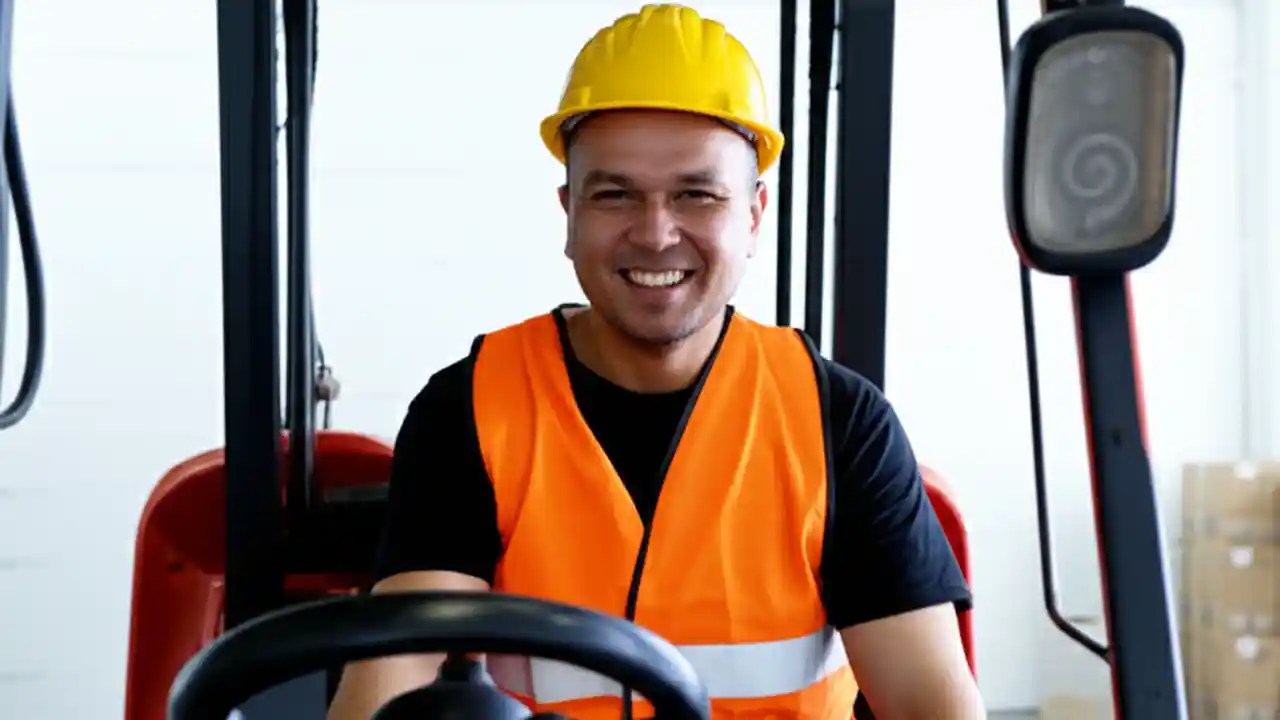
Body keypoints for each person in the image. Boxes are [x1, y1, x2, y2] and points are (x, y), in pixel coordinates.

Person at [328, 4, 985, 719]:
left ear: (755, 214)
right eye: (615, 196)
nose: (654, 232)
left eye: (696, 195)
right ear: (569, 214)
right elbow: (390, 684)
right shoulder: (474, 409)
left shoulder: (838, 423)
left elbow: (932, 703)